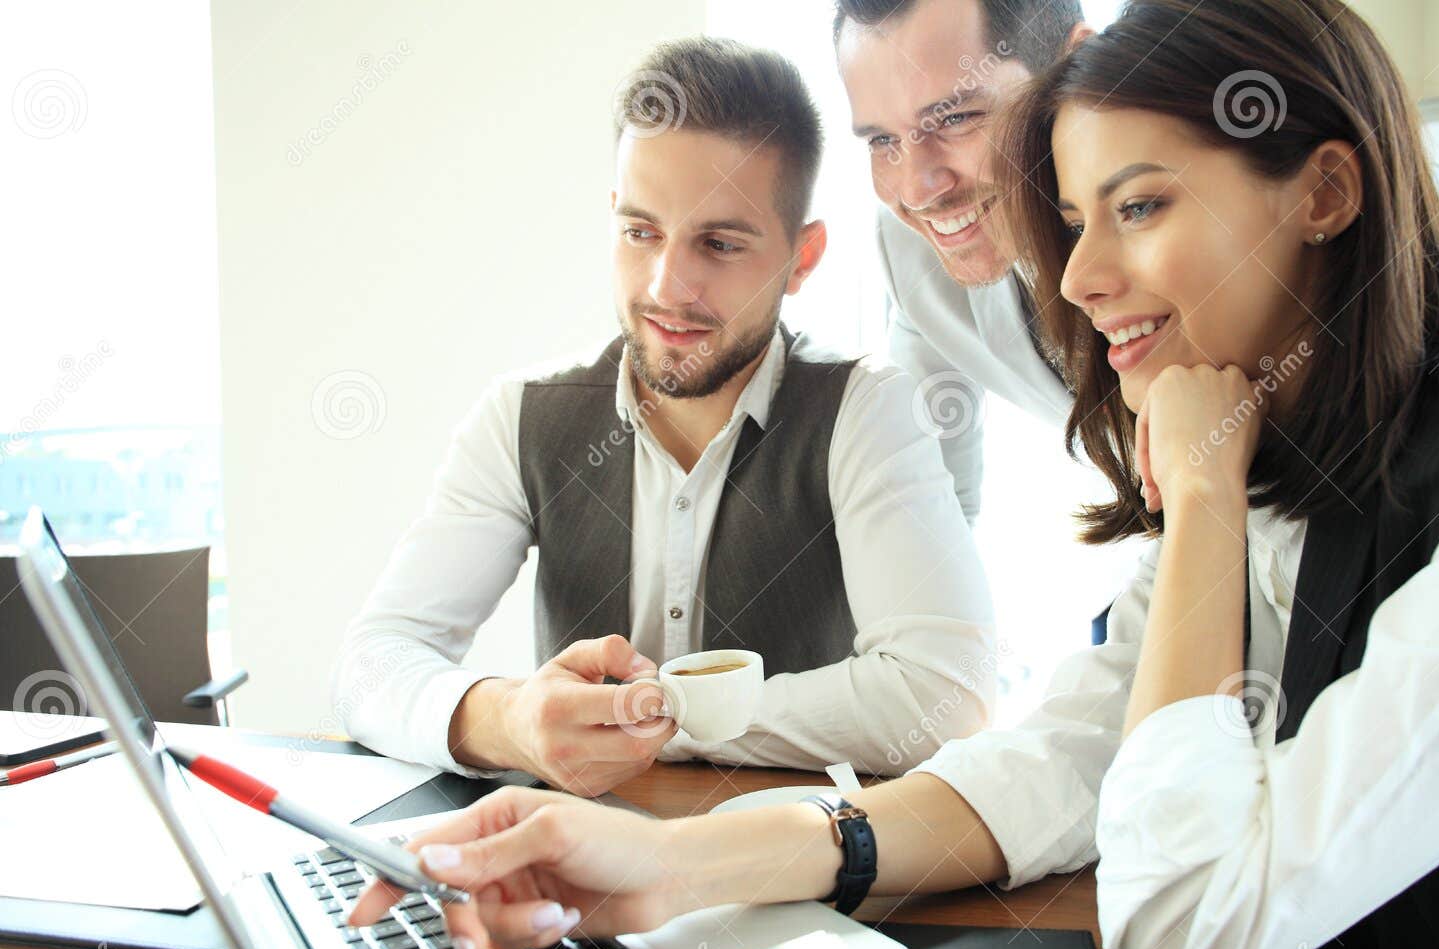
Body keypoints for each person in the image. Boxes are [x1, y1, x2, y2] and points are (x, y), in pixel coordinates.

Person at [350, 0, 1439, 949]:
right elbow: (1062, 751)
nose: (1069, 279)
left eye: (1141, 206)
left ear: (1326, 189)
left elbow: (1179, 915)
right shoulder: (1257, 432)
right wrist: (679, 867)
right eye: (1072, 216)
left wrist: (1204, 501)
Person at [330, 37, 995, 799]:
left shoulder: (866, 411)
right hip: (567, 875)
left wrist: (658, 716)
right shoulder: (519, 418)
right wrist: (510, 718)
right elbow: (371, 661)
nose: (667, 286)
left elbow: (948, 693)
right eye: (641, 232)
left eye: (719, 243)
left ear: (802, 259)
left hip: (796, 885)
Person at [832, 0, 1439, 522]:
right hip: (1205, 537)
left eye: (958, 118)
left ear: (1074, 68)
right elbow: (926, 505)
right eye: (880, 140)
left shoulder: (1395, 244)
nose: (918, 184)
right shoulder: (913, 252)